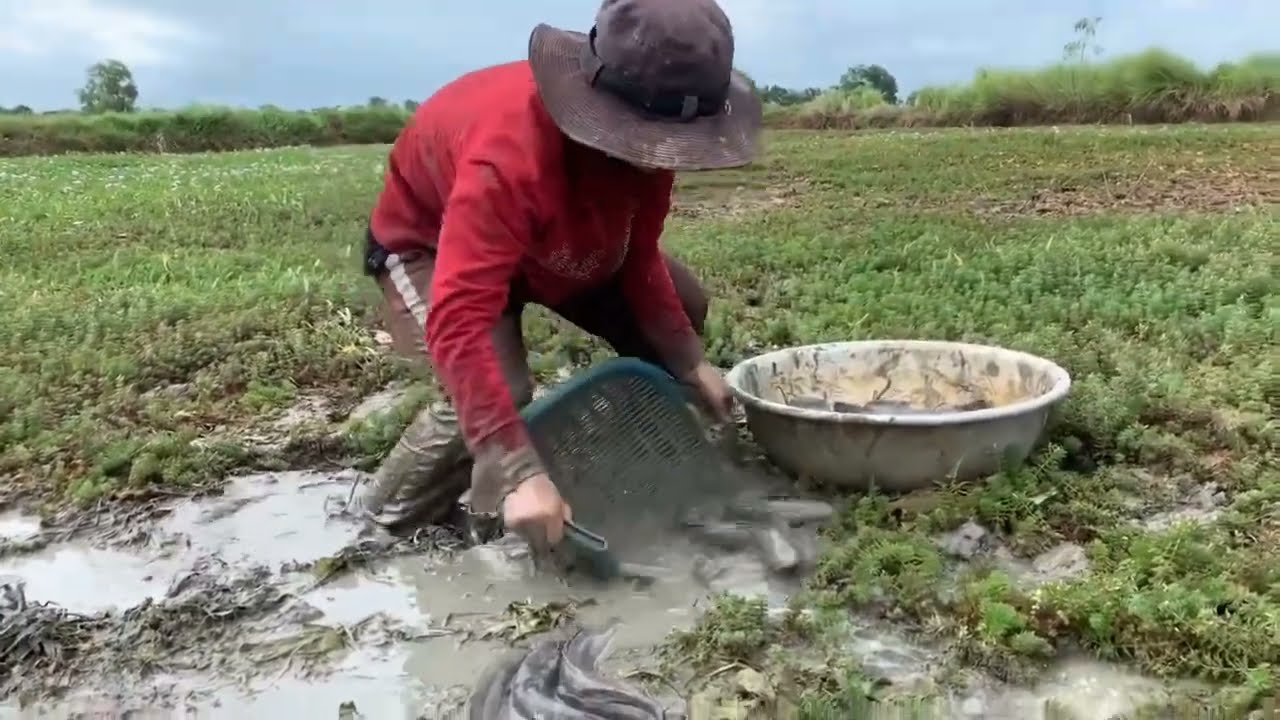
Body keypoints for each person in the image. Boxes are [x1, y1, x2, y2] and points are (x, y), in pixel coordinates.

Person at [350, 0, 763, 548]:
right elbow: (459, 318)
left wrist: (690, 361)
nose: (664, 154)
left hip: (547, 242)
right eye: (649, 136)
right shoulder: (507, 156)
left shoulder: (651, 159)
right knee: (490, 386)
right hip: (430, 244)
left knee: (681, 311)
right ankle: (378, 525)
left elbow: (636, 255)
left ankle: (604, 462)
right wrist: (517, 470)